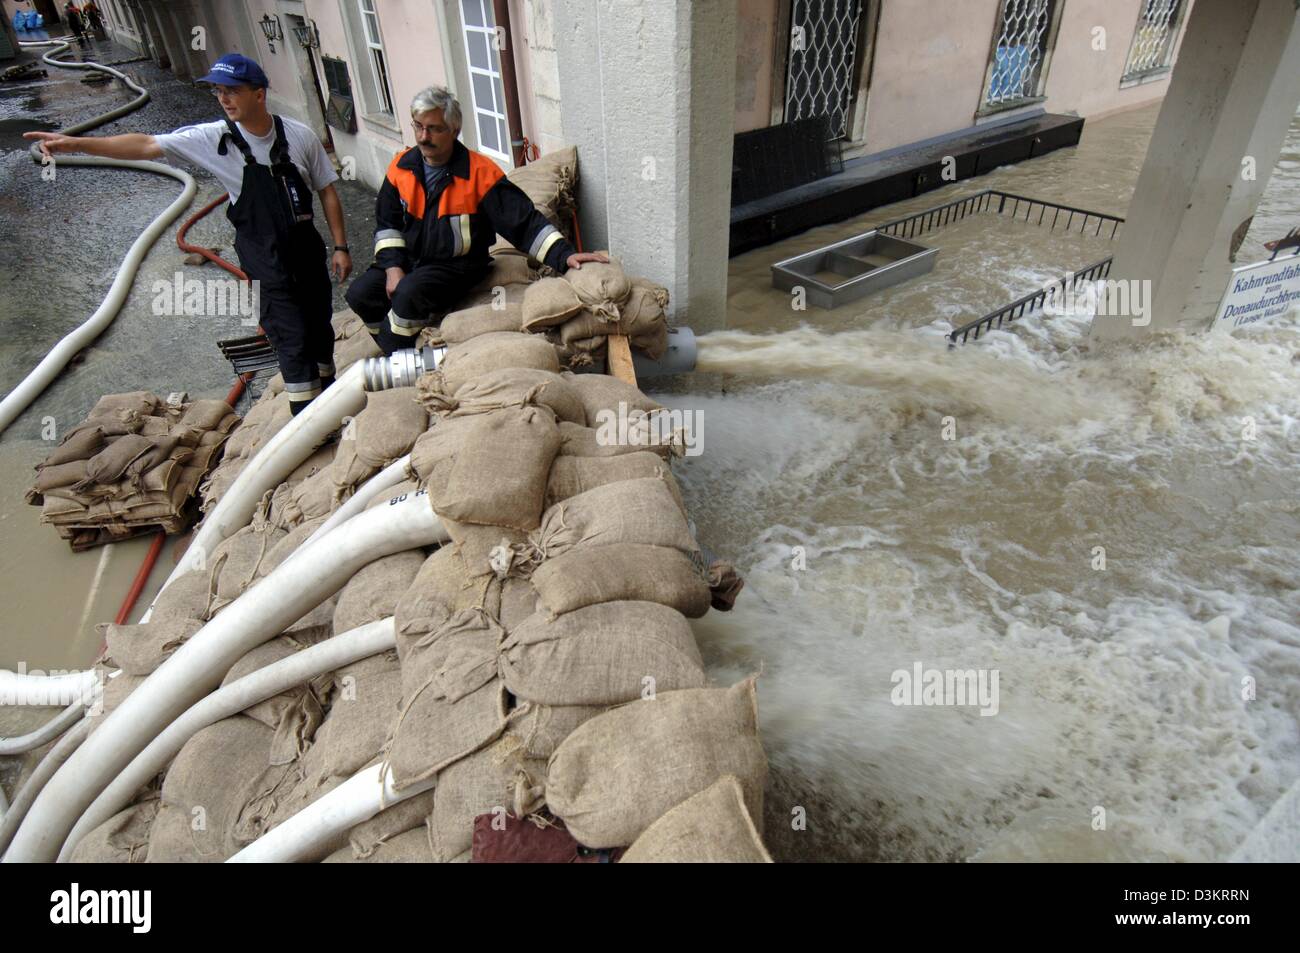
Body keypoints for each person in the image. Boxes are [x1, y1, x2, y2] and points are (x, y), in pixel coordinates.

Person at [26, 53, 352, 415]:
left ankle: (331, 400)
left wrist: (340, 246)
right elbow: (147, 145)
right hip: (267, 262)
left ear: (258, 94)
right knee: (291, 339)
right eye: (217, 91)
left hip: (307, 256)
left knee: (319, 330)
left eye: (231, 90)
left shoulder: (299, 135)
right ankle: (308, 423)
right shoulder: (213, 138)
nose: (223, 99)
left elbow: (326, 190)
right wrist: (76, 144)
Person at [346, 85, 607, 354]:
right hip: (410, 261)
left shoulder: (479, 174)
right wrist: (392, 268)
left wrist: (565, 256)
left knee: (406, 295)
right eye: (419, 126)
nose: (424, 136)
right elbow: (387, 225)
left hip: (457, 267)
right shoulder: (401, 167)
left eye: (434, 128)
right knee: (360, 294)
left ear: (454, 130)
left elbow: (523, 222)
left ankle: (394, 358)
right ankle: (399, 347)